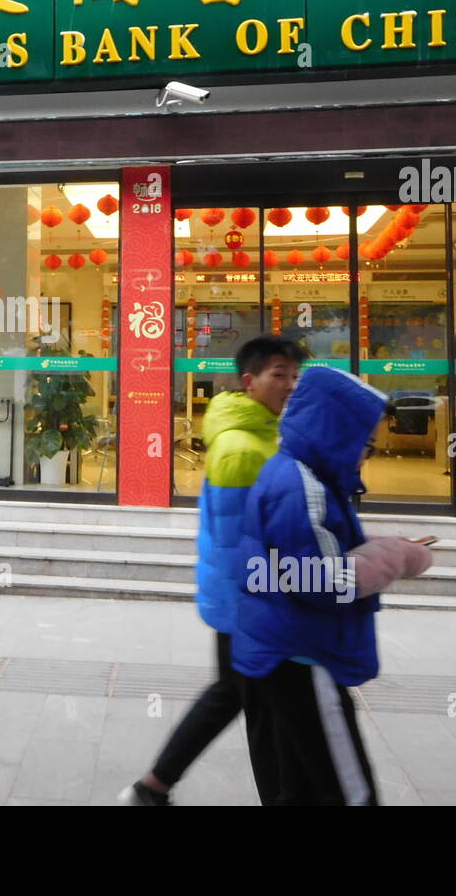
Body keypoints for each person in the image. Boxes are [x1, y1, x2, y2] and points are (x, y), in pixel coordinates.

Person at [231, 367, 433, 806]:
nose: (367, 457)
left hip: (285, 650)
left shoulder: (299, 473)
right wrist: (394, 556)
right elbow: (319, 581)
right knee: (350, 792)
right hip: (306, 658)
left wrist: (378, 545)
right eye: (366, 446)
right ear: (336, 434)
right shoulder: (302, 486)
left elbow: (307, 556)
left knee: (300, 790)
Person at [120, 335, 305, 806]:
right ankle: (152, 786)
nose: (288, 384)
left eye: (292, 375)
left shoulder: (260, 433)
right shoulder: (244, 448)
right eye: (278, 374)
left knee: (254, 705)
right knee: (238, 697)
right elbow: (238, 542)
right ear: (250, 380)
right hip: (248, 600)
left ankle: (155, 787)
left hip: (245, 599)